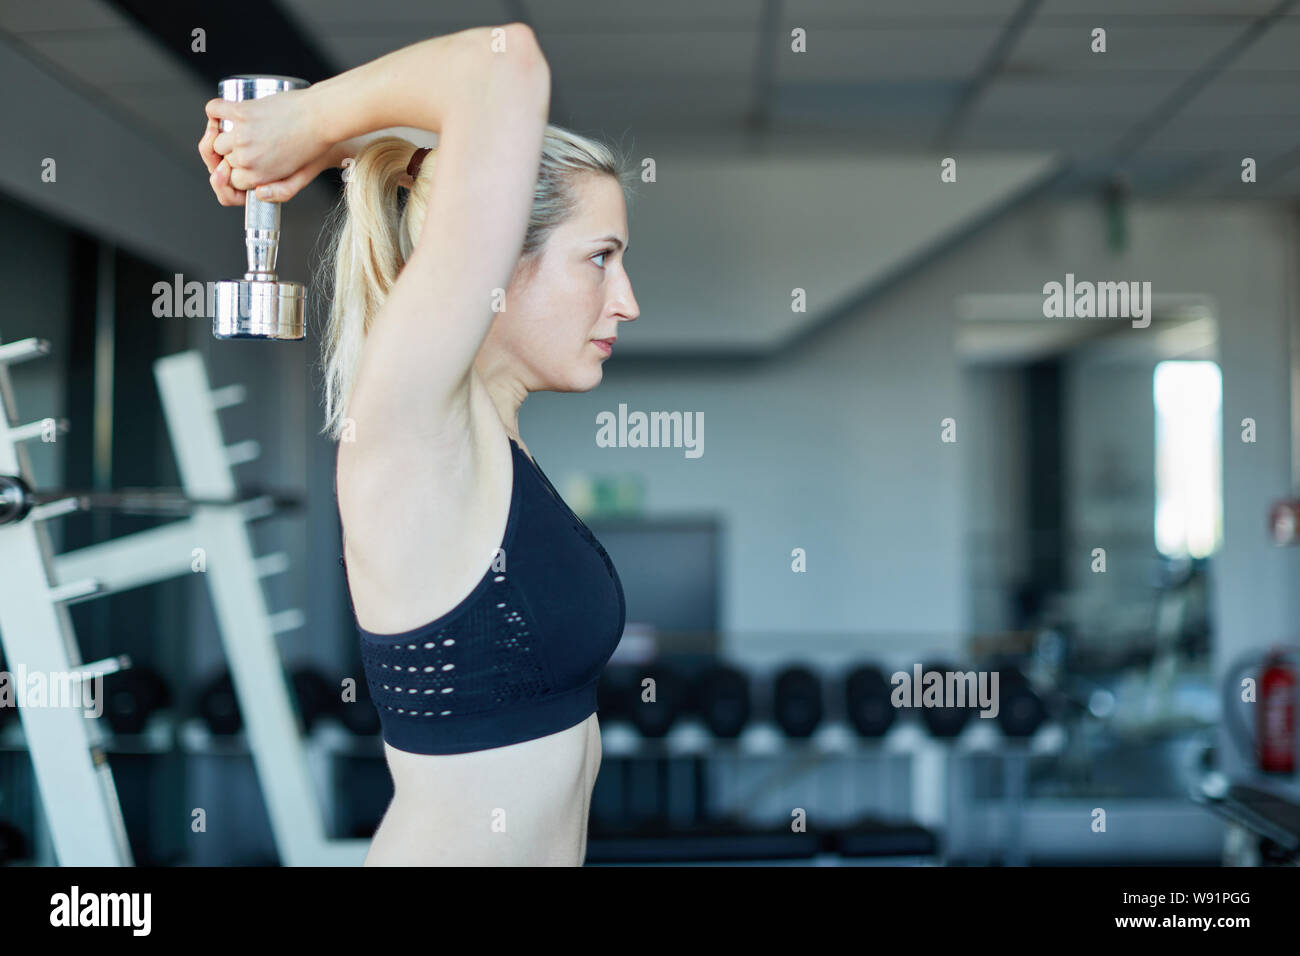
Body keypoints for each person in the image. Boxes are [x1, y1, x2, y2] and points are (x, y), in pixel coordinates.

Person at [197, 23, 640, 865]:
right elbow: (503, 63)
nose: (626, 300)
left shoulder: (502, 450)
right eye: (600, 259)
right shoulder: (412, 423)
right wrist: (311, 121)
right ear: (497, 263)